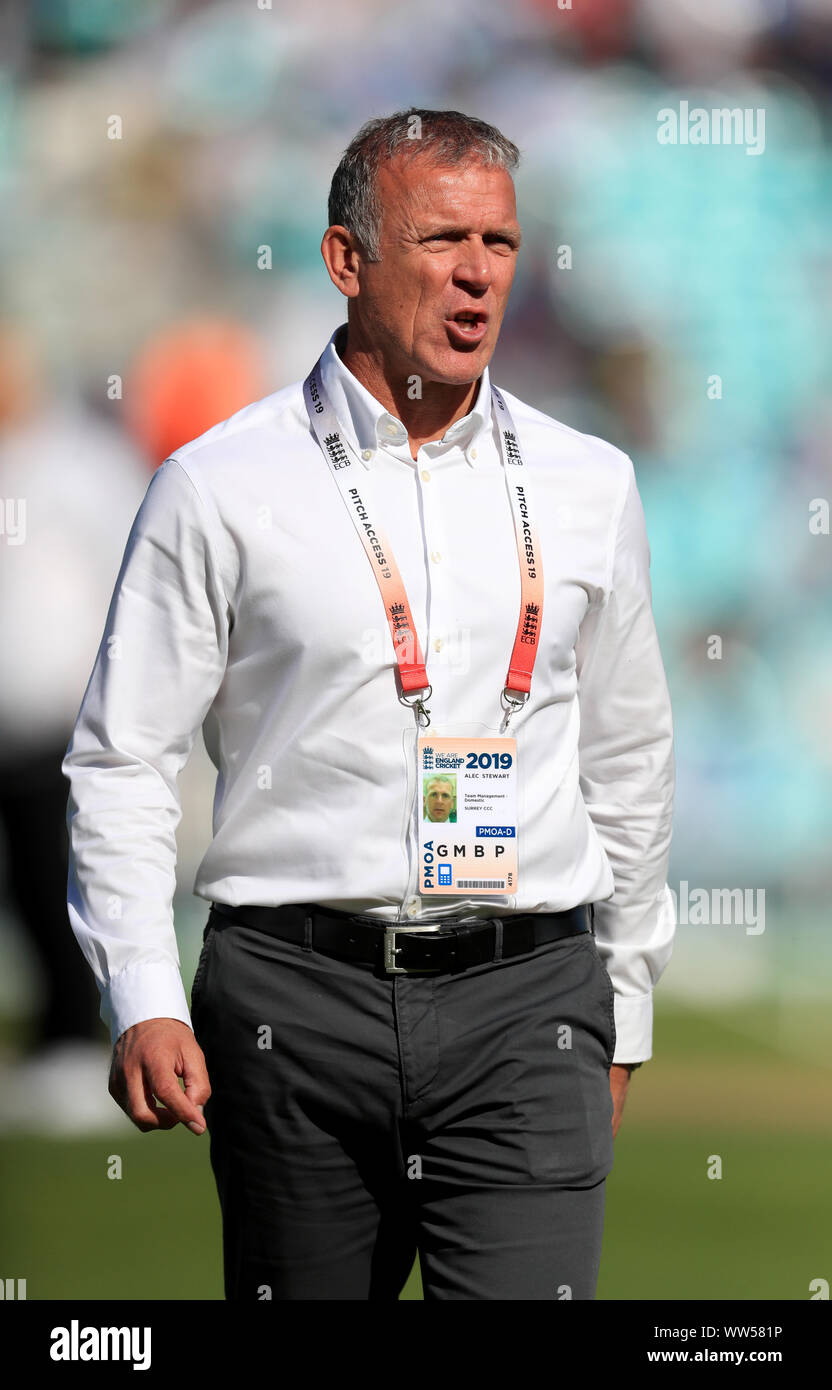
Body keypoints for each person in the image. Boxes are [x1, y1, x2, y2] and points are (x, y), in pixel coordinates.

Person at [63, 108, 676, 1301]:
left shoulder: (590, 483)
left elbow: (629, 756)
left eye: (499, 242)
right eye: (442, 237)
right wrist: (138, 990)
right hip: (293, 998)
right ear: (347, 260)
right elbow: (125, 757)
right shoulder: (217, 485)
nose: (478, 273)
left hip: (527, 1000)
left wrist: (627, 1003)